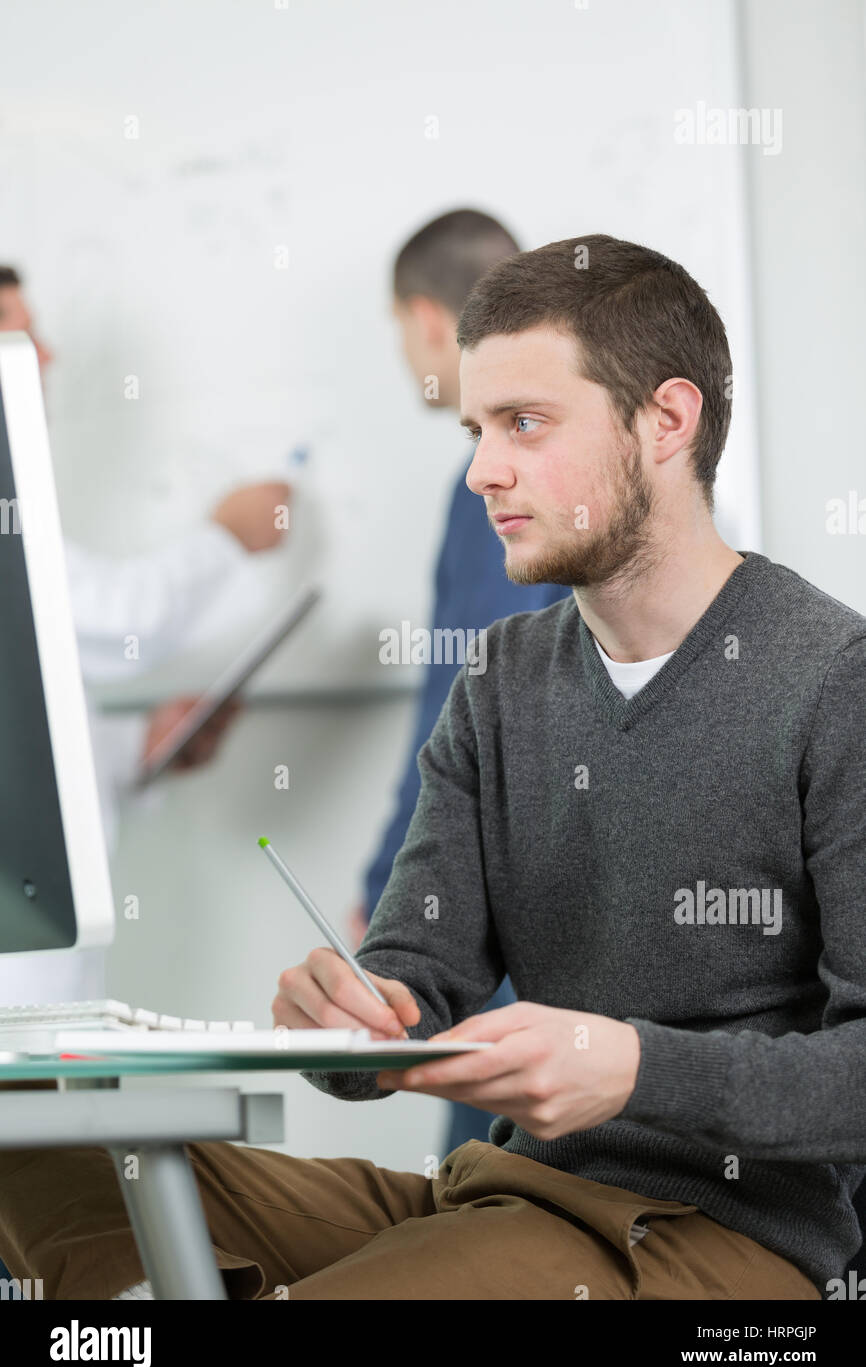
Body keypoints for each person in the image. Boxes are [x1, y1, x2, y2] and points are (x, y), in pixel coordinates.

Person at [1, 233, 863, 1301]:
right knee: (41, 1159)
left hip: (708, 1237)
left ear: (665, 422)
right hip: (497, 1190)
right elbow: (414, 979)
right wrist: (351, 1013)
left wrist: (635, 1067)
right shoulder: (500, 678)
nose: (480, 469)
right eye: (475, 427)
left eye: (524, 424)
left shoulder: (832, 680)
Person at [0, 265, 290, 1004]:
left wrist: (137, 751)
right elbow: (119, 619)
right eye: (21, 336)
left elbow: (31, 724)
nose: (49, 356)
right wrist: (226, 537)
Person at [349, 211, 571, 1152]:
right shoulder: (555, 469)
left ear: (430, 321)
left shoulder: (487, 488)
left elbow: (468, 708)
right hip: (558, 879)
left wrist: (392, 878)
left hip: (509, 891)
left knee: (489, 1184)